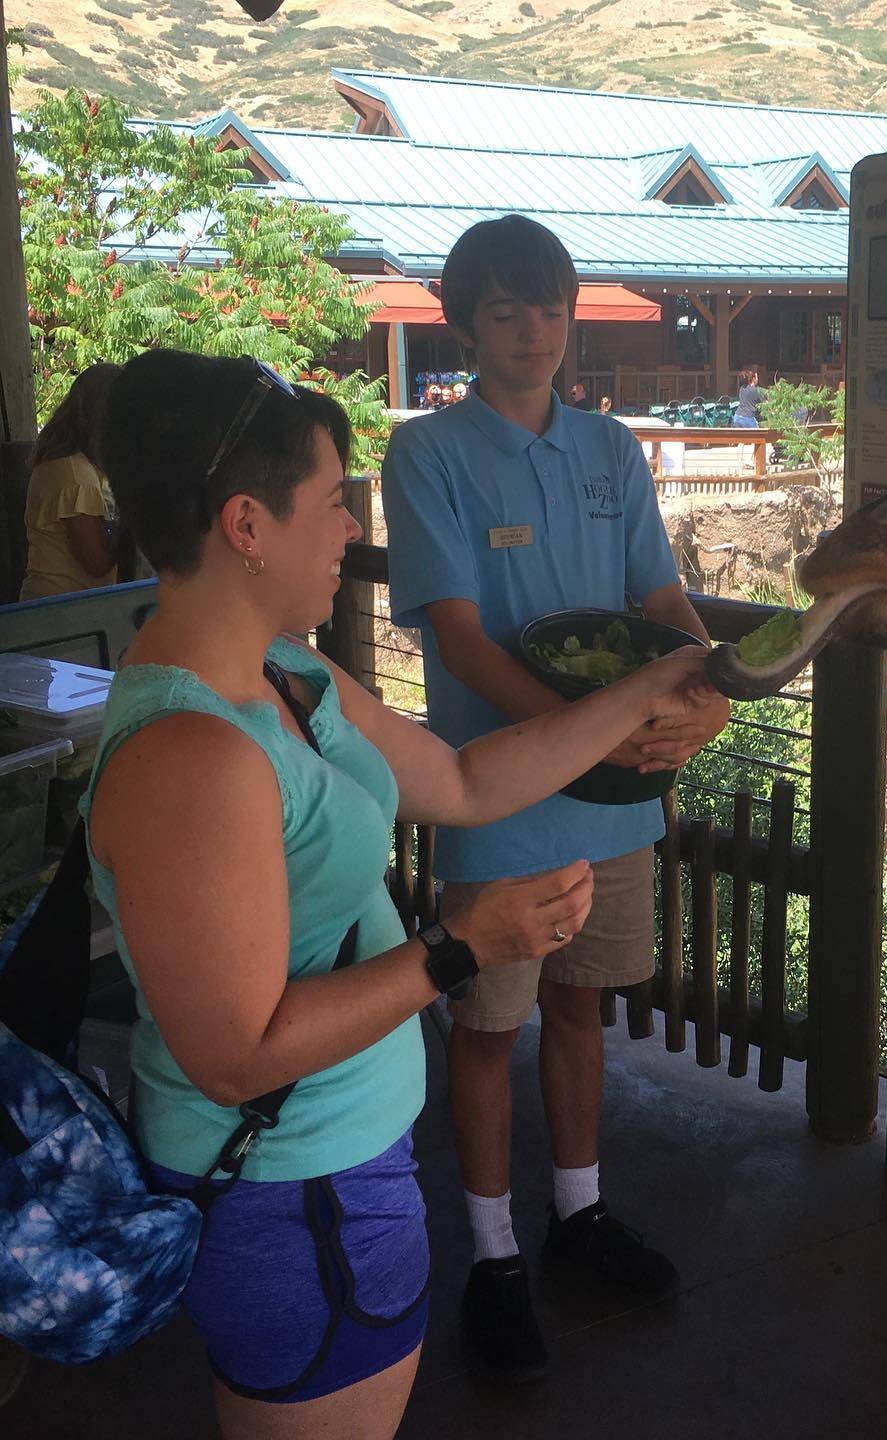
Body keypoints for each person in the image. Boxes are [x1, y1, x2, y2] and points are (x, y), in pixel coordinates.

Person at [84, 347, 718, 1440]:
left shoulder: (288, 673)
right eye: (333, 501)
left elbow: (463, 780)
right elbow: (235, 1054)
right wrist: (459, 946)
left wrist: (650, 689)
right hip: (291, 1190)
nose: (351, 528)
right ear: (246, 525)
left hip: (342, 1164)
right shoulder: (191, 756)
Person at [381, 214, 730, 1385]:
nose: (533, 332)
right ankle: (491, 1255)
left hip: (616, 791)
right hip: (495, 793)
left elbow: (661, 600)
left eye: (549, 309)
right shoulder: (428, 455)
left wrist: (706, 688)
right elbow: (459, 638)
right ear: (465, 324)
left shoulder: (610, 449)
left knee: (582, 1006)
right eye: (505, 312)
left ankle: (577, 1211)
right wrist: (587, 734)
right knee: (488, 1026)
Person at [20, 363, 123, 599]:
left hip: (65, 605)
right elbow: (96, 563)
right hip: (62, 609)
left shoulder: (78, 465)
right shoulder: (75, 474)